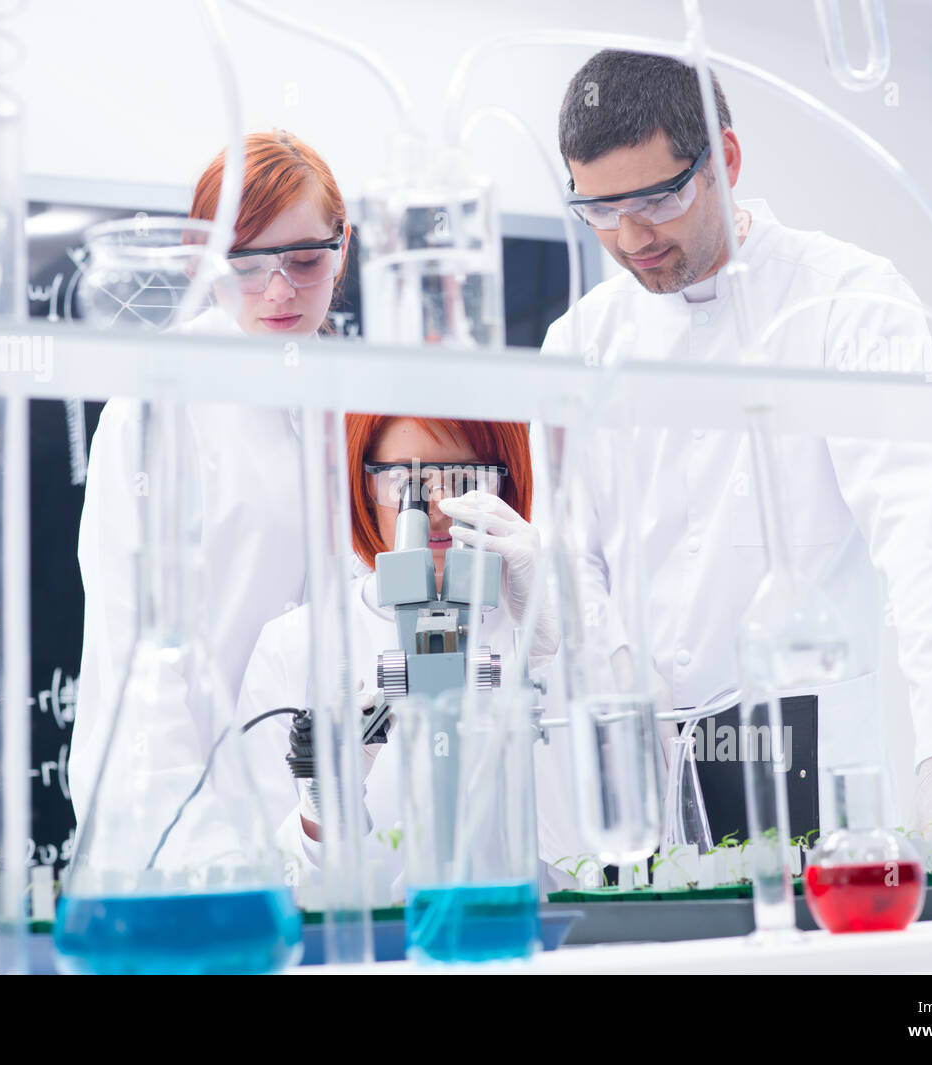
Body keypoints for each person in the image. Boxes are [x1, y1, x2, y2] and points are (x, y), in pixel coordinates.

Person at [545, 51, 932, 853]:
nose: (630, 236)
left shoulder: (846, 299)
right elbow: (571, 555)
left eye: (657, 198)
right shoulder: (579, 340)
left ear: (727, 160)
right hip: (639, 780)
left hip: (809, 764)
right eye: (599, 210)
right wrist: (610, 662)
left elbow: (928, 546)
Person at [68, 130, 354, 850]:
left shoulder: (369, 405)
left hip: (350, 829)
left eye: (305, 258)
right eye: (245, 265)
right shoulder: (155, 408)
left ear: (343, 245)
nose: (280, 290)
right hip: (195, 828)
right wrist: (200, 855)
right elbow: (141, 669)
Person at [234, 413, 575, 893]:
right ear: (362, 483)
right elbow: (262, 885)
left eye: (464, 482)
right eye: (407, 483)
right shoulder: (296, 645)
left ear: (506, 484)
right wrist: (321, 810)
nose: (437, 506)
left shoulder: (550, 629)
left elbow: (592, 857)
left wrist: (543, 661)